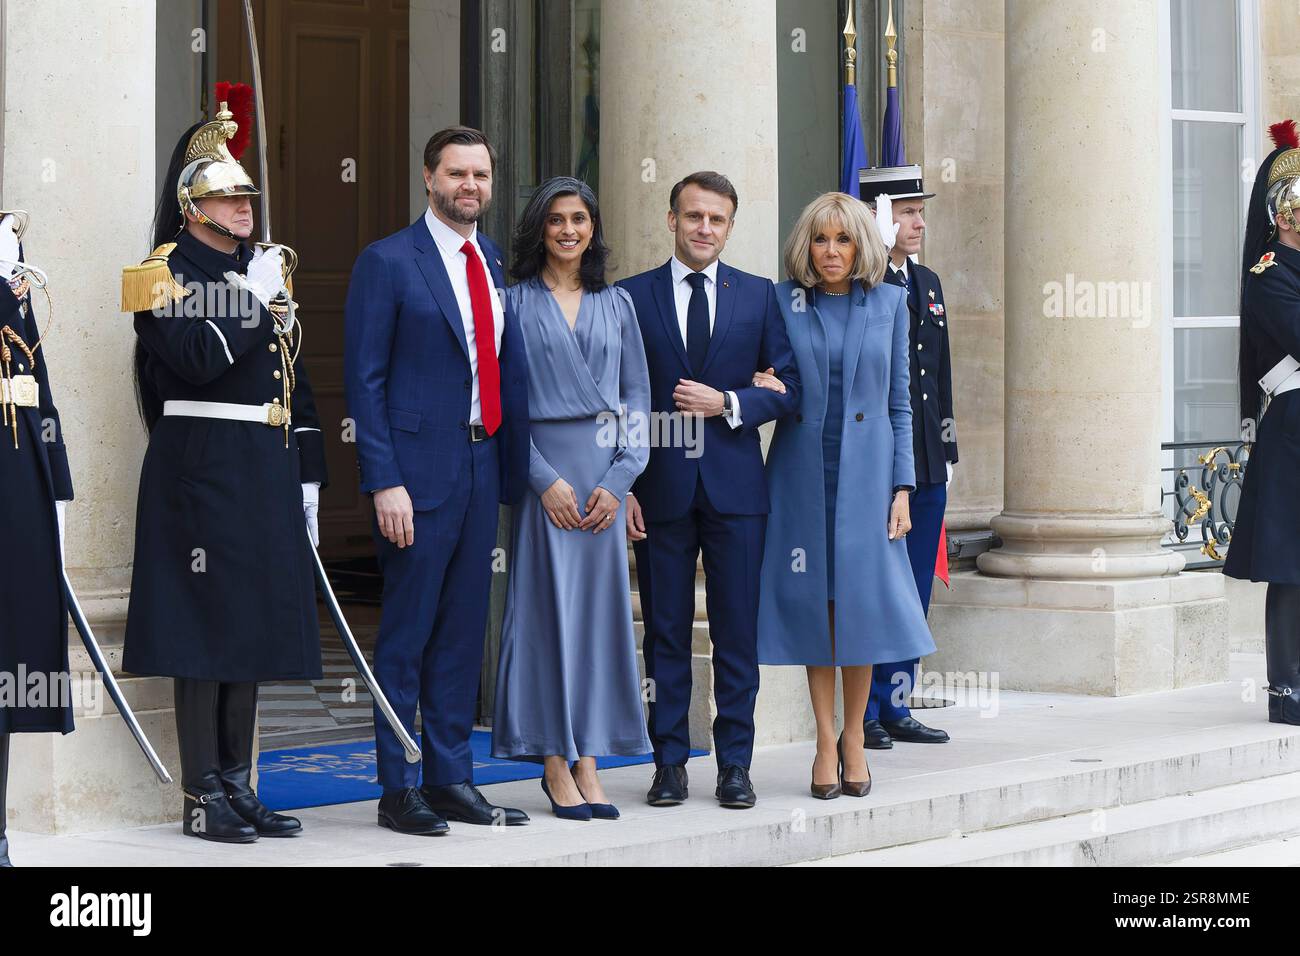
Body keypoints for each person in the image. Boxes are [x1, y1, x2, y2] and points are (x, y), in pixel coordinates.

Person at [121, 94, 326, 843]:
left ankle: (238, 784)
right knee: (203, 630)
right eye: (226, 196)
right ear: (191, 204)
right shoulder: (161, 273)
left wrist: (308, 470)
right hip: (201, 465)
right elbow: (199, 358)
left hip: (262, 463)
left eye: (245, 196)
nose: (243, 207)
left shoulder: (260, 268)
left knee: (251, 628)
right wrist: (251, 295)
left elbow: (292, 377)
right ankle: (202, 794)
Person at [344, 126, 531, 835]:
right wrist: (382, 479)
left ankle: (452, 777)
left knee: (461, 631)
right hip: (415, 477)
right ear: (430, 178)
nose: (470, 187)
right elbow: (365, 381)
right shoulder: (388, 261)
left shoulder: (491, 261)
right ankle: (397, 789)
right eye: (457, 174)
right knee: (407, 633)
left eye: (481, 175)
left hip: (483, 462)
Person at [619, 171, 800, 809]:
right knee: (664, 633)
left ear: (729, 226)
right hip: (658, 490)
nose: (704, 228)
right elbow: (615, 399)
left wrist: (726, 401)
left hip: (735, 493)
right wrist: (623, 484)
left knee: (735, 634)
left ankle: (735, 768)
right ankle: (668, 764)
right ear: (672, 220)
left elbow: (790, 390)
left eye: (716, 219)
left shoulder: (759, 296)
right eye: (693, 216)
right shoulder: (630, 297)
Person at [756, 192, 934, 798]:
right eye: (820, 239)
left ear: (861, 246)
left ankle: (855, 736)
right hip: (800, 473)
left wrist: (903, 487)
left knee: (860, 605)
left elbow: (900, 402)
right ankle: (824, 740)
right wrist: (761, 384)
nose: (831, 251)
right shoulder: (780, 301)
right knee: (818, 604)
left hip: (869, 477)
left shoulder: (890, 301)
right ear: (805, 246)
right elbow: (770, 379)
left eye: (844, 240)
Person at [491, 177, 652, 821]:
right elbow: (498, 404)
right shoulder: (512, 302)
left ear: (593, 228)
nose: (567, 229)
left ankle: (591, 758)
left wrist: (620, 482)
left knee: (598, 619)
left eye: (579, 218)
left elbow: (638, 400)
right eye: (555, 219)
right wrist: (541, 478)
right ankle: (554, 760)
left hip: (603, 483)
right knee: (543, 615)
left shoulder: (619, 305)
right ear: (539, 229)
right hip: (545, 478)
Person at [860, 165, 954, 749]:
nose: (918, 222)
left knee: (916, 584)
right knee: (877, 585)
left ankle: (897, 702)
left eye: (921, 211)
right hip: (878, 462)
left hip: (924, 457)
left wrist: (947, 450)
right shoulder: (865, 286)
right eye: (908, 211)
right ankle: (864, 707)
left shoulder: (927, 281)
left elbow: (938, 376)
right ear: (878, 216)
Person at [0, 212, 74, 865]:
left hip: (17, 475)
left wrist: (57, 483)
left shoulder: (7, 246)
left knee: (11, 654)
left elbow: (31, 376)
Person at [1223, 119, 1300, 725]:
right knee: (1290, 567)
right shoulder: (1269, 274)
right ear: (1284, 214)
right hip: (1294, 423)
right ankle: (1286, 690)